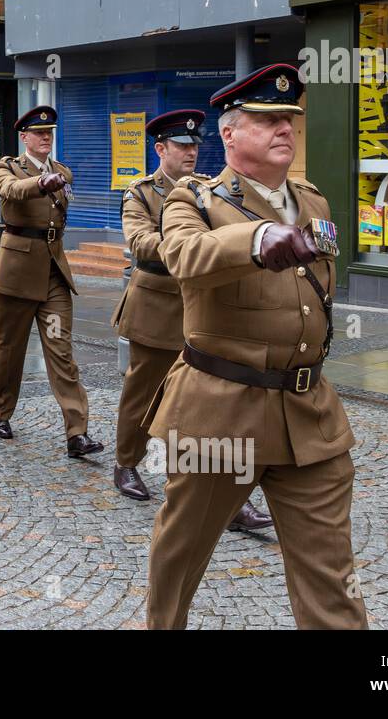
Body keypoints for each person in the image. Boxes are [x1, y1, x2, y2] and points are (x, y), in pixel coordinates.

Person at [145, 63, 366, 630]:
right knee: (181, 554)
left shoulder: (313, 202)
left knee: (331, 575)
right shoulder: (192, 200)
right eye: (268, 119)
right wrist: (259, 237)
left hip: (306, 414)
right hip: (221, 412)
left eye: (290, 119)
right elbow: (184, 258)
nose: (285, 130)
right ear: (230, 133)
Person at [110, 110, 273, 533]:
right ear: (160, 149)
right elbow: (138, 241)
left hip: (203, 309)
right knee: (143, 393)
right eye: (181, 146)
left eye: (195, 145)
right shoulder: (141, 193)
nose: (190, 152)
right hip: (156, 305)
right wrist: (187, 246)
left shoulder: (207, 190)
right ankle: (126, 462)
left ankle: (228, 497)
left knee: (211, 403)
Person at [0, 106, 104, 458]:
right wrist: (40, 183)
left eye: (49, 132)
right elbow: (10, 190)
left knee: (60, 350)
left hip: (53, 274)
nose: (45, 137)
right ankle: (1, 411)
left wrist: (51, 179)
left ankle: (77, 431)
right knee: (10, 347)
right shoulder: (8, 167)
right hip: (18, 274)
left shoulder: (62, 171)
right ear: (24, 137)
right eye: (38, 133)